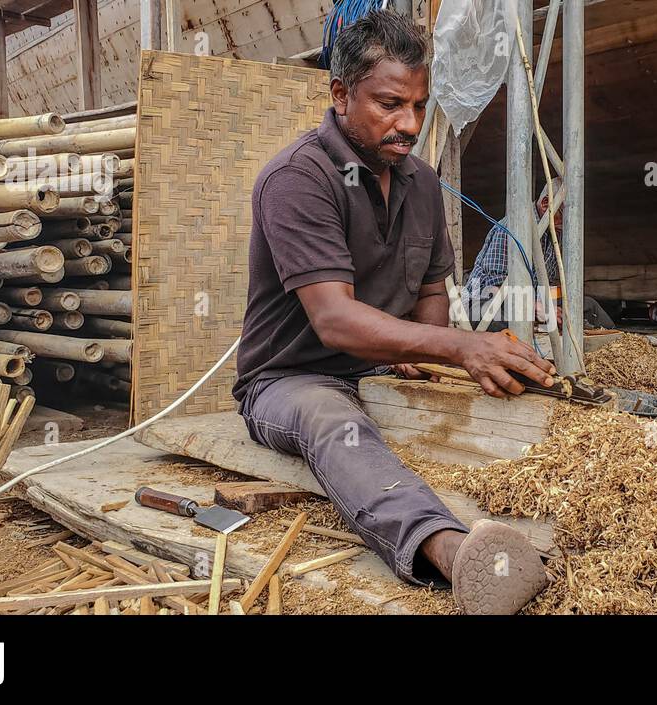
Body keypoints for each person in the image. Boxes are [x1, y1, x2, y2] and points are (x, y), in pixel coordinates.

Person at [234, 11, 553, 614]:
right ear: (340, 94)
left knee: (504, 392)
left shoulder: (423, 183)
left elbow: (432, 285)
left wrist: (430, 354)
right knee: (332, 420)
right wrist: (457, 346)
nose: (409, 124)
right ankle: (453, 554)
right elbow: (335, 321)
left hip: (385, 370)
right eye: (388, 104)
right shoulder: (296, 179)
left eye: (418, 105)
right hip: (292, 377)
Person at [462, 179, 617, 331]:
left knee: (588, 307)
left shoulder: (554, 233)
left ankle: (613, 345)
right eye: (564, 217)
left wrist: (552, 307)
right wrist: (534, 308)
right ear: (545, 204)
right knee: (501, 319)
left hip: (532, 302)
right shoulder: (512, 228)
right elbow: (493, 287)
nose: (566, 225)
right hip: (485, 302)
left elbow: (548, 283)